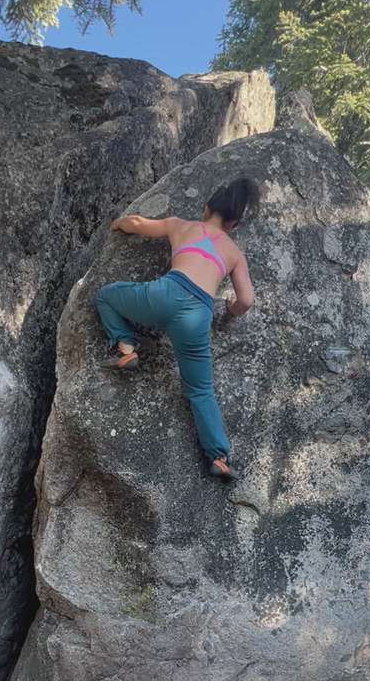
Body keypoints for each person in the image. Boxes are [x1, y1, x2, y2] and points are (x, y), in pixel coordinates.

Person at [95, 177, 258, 482]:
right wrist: (230, 312)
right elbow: (246, 300)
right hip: (197, 315)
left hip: (163, 295)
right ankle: (219, 457)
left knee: (106, 296)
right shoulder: (235, 253)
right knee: (200, 389)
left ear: (205, 207)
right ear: (234, 224)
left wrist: (117, 224)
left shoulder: (180, 225)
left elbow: (138, 223)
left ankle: (126, 349)